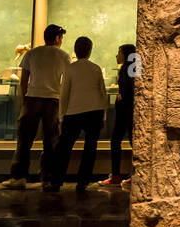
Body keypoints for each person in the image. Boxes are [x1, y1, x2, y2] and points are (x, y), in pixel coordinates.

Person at [4, 24, 70, 190]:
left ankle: (19, 177)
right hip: (53, 101)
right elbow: (66, 82)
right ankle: (47, 179)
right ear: (57, 38)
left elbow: (24, 79)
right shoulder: (63, 56)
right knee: (51, 141)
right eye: (61, 37)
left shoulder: (31, 54)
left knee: (25, 140)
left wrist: (24, 99)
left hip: (32, 99)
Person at [47, 35, 108, 193]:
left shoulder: (70, 69)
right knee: (90, 147)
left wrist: (61, 117)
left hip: (73, 112)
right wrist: (104, 115)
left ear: (76, 50)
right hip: (95, 111)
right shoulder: (95, 68)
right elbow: (103, 93)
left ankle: (56, 181)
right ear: (89, 51)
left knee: (64, 148)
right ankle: (82, 183)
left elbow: (64, 93)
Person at [94, 44, 136, 189]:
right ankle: (134, 174)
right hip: (129, 111)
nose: (116, 56)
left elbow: (129, 89)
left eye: (119, 52)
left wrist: (122, 96)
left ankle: (116, 176)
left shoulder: (126, 68)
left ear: (125, 54)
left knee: (116, 141)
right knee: (133, 141)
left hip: (125, 112)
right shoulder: (133, 68)